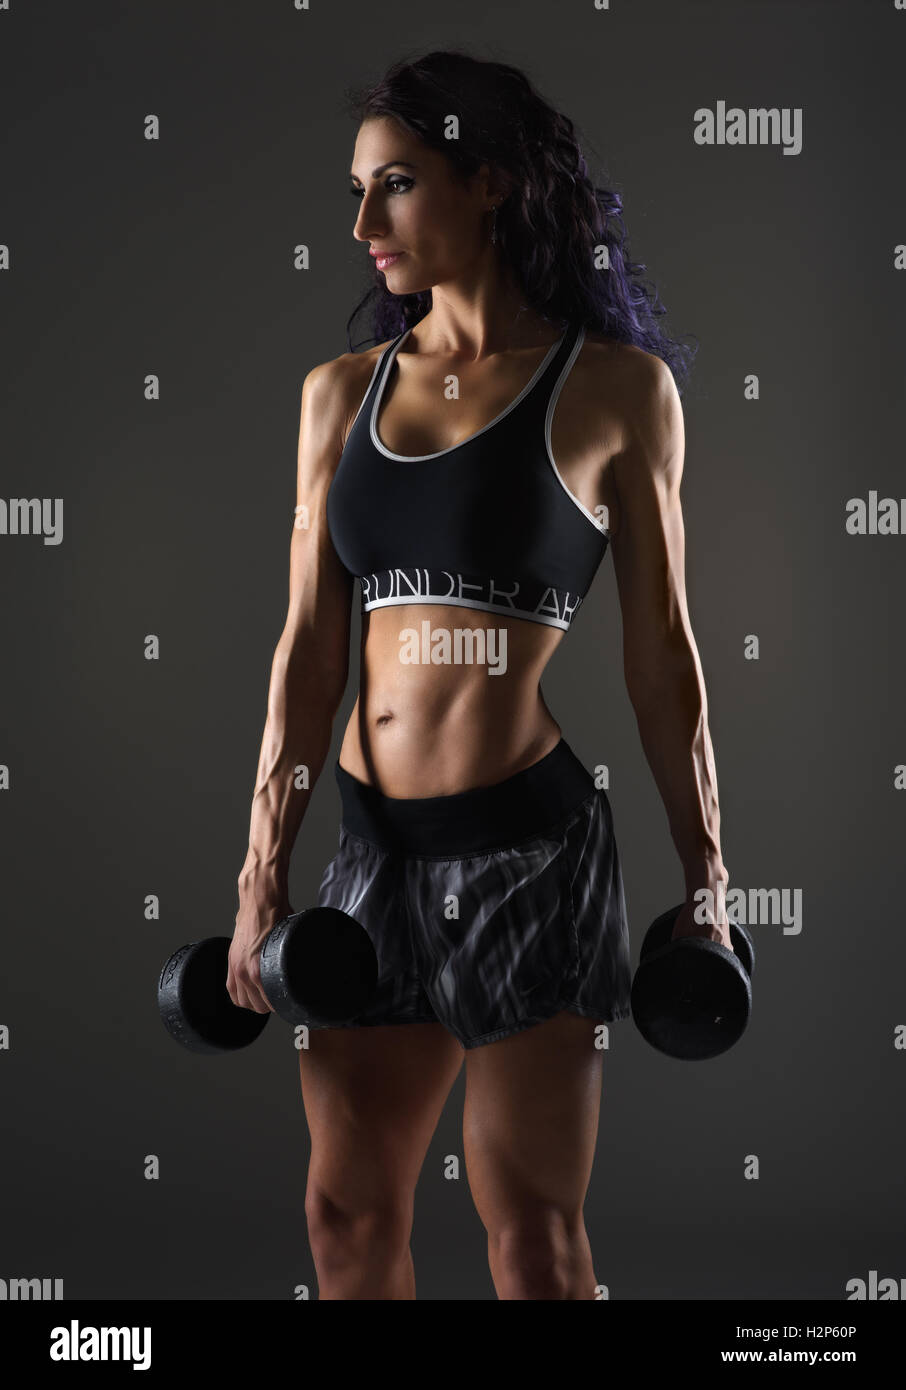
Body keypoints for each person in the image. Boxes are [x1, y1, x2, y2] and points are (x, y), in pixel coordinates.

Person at [227, 49, 731, 1301]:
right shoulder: (336, 399)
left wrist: (710, 870)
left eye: (396, 186)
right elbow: (309, 654)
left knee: (534, 1237)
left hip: (532, 859)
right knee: (344, 1216)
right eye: (356, 192)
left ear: (492, 182)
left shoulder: (617, 392)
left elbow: (664, 654)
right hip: (374, 850)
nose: (363, 225)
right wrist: (260, 867)